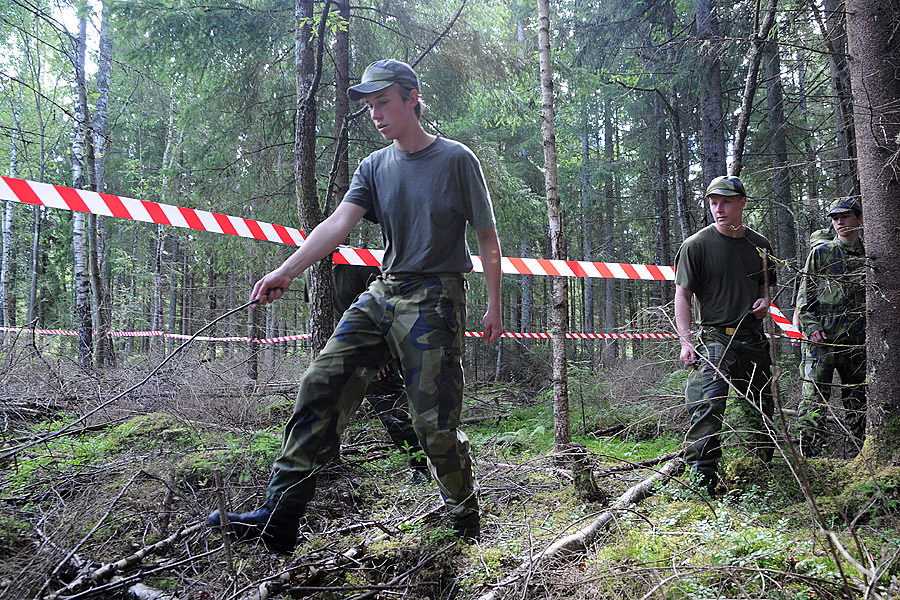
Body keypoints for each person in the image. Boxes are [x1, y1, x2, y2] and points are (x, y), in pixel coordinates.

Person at [207, 59, 503, 552]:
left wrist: (493, 306)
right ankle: (280, 516)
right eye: (369, 107)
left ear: (412, 97)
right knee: (320, 382)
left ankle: (463, 513)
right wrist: (286, 270)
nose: (376, 115)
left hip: (435, 299)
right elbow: (337, 224)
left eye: (383, 103)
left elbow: (488, 239)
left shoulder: (456, 160)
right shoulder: (374, 166)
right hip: (382, 293)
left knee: (434, 425)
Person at [675, 175, 776, 494]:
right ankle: (702, 483)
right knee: (707, 406)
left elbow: (765, 287)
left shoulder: (759, 245)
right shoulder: (696, 245)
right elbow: (682, 296)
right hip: (714, 336)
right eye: (713, 203)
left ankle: (762, 472)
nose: (719, 209)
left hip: (752, 336)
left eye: (726, 202)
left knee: (761, 406)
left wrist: (766, 302)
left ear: (742, 203)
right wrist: (686, 342)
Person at [331, 263, 428, 481]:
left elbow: (389, 308)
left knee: (392, 412)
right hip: (339, 352)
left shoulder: (358, 263)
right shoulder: (314, 270)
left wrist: (382, 353)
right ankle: (324, 467)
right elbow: (323, 315)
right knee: (327, 406)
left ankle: (422, 464)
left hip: (372, 353)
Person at [795, 198, 866, 457]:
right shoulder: (822, 253)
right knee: (813, 399)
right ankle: (811, 459)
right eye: (835, 218)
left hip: (857, 342)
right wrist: (811, 327)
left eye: (845, 216)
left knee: (857, 400)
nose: (839, 222)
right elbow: (804, 298)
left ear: (859, 219)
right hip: (821, 341)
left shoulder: (870, 254)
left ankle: (859, 456)